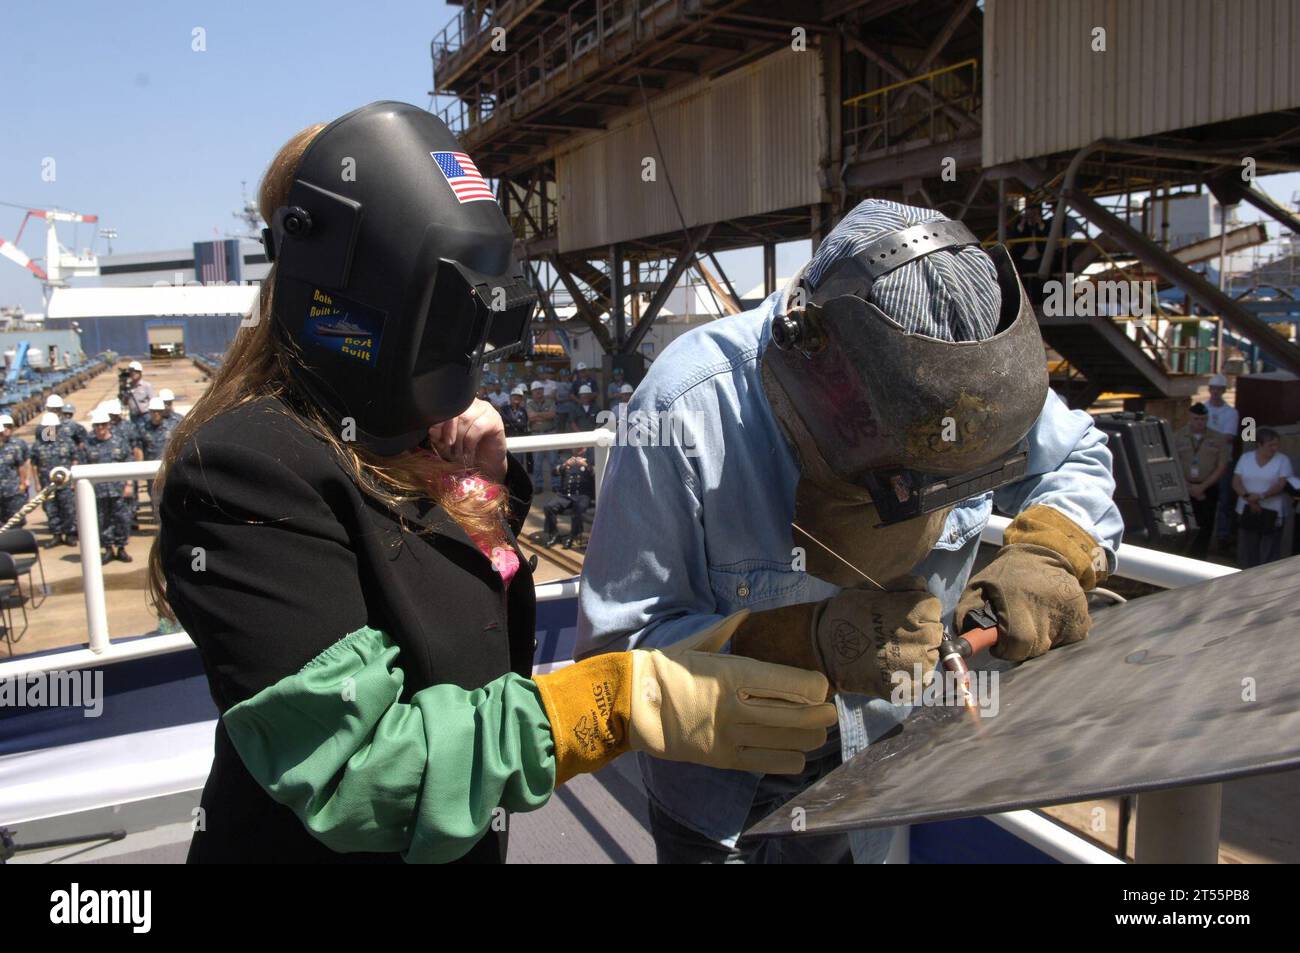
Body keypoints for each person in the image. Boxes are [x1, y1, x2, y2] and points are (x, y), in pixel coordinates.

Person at [149, 102, 835, 865]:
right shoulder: (247, 467)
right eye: (440, 308)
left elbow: (465, 652)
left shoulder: (416, 444)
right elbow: (361, 770)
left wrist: (479, 506)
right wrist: (612, 703)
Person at [577, 199, 1122, 864]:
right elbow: (614, 661)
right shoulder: (683, 412)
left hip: (876, 772)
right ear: (816, 368)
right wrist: (800, 643)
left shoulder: (969, 392)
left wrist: (1050, 549)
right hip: (721, 799)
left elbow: (1077, 454)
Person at [1232, 427, 1294, 568]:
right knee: (1247, 549)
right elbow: (1236, 482)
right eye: (1270, 445)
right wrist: (1249, 498)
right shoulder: (1246, 458)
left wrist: (1260, 496)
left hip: (1272, 511)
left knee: (1269, 551)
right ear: (1259, 444)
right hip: (1247, 509)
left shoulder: (1282, 460)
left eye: (1276, 445)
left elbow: (1281, 484)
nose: (1274, 448)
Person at [1175, 403, 1231, 559]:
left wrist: (1203, 487)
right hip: (1185, 487)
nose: (1200, 422)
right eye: (1196, 419)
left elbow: (1222, 465)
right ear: (1190, 418)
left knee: (1205, 526)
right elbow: (1174, 463)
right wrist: (1188, 487)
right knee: (1182, 525)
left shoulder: (1218, 438)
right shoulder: (1178, 436)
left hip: (1208, 487)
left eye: (1203, 419)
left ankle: (1200, 556)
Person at [85, 408, 134, 563]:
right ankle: (107, 549)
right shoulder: (88, 445)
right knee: (102, 521)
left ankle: (121, 549)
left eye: (103, 424)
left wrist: (129, 484)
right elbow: (82, 465)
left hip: (118, 490)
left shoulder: (120, 442)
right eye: (97, 425)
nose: (100, 428)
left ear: (108, 425)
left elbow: (129, 464)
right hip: (98, 491)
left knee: (122, 519)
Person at [31, 411, 81, 547]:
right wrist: (36, 483)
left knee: (68, 509)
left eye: (52, 427)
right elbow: (34, 464)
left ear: (57, 428)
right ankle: (56, 535)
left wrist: (73, 480)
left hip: (66, 484)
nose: (49, 430)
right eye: (46, 427)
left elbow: (75, 459)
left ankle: (69, 534)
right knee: (50, 509)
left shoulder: (67, 442)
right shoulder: (38, 445)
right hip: (47, 484)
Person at [1205, 373, 1240, 548]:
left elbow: (1228, 438)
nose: (1216, 392)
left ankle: (1222, 536)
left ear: (1224, 391)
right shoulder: (1202, 408)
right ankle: (1205, 532)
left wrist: (1207, 438)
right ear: (1210, 390)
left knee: (1224, 500)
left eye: (1219, 389)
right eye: (1214, 389)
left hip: (1223, 462)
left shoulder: (1231, 413)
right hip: (1204, 462)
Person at [542, 454, 596, 548]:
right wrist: (565, 464)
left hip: (582, 495)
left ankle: (573, 535)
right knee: (548, 507)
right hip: (565, 495)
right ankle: (554, 534)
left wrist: (586, 465)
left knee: (578, 508)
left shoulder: (591, 457)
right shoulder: (566, 457)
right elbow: (554, 472)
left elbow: (598, 473)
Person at [525, 379, 558, 493]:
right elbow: (530, 417)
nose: (538, 392)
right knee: (537, 462)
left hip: (550, 433)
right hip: (536, 434)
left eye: (540, 389)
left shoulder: (550, 401)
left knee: (553, 461)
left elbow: (552, 415)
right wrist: (545, 414)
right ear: (532, 392)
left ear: (543, 390)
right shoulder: (529, 404)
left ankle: (555, 484)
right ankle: (538, 485)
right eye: (535, 390)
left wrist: (537, 415)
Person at [0, 414, 31, 526]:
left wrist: (24, 482)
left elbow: (24, 463)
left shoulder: (17, 445)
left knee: (16, 520)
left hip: (12, 490)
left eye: (9, 426)